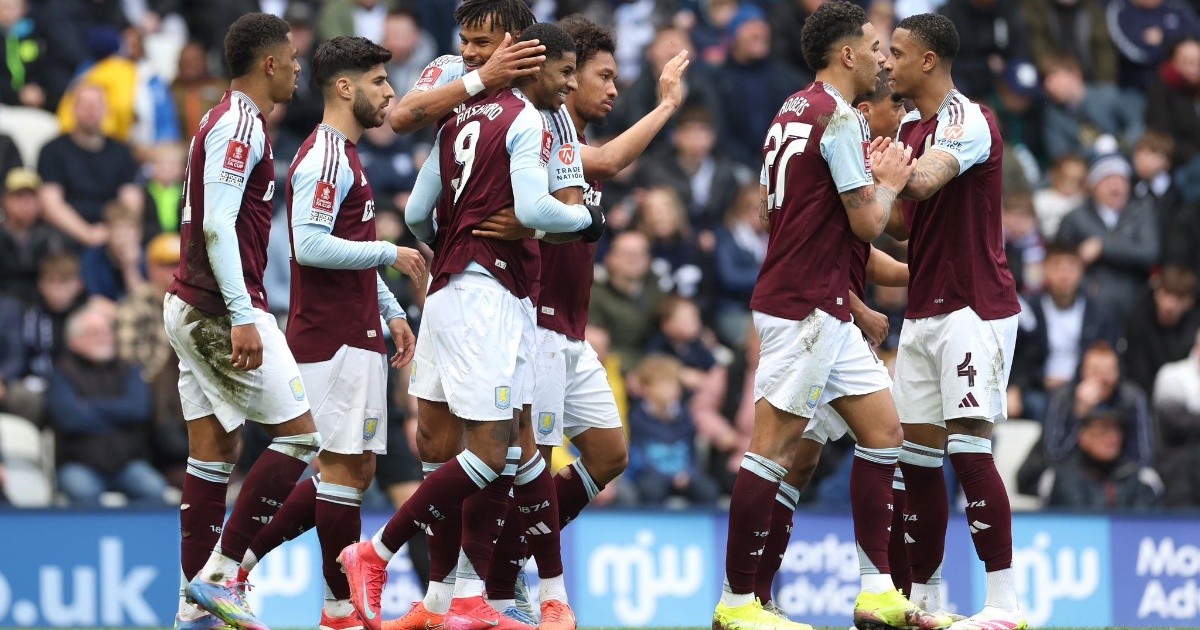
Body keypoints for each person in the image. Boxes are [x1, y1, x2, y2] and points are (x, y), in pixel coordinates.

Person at [340, 23, 605, 630]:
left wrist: (453, 246)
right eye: (561, 72)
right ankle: (375, 553)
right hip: (492, 296)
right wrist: (590, 219)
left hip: (446, 291)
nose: (567, 86)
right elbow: (539, 212)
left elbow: (413, 212)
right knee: (495, 451)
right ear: (529, 62)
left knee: (441, 449)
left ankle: (449, 602)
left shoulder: (458, 115)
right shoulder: (523, 116)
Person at [713, 4, 937, 630]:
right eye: (873, 46)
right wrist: (889, 180)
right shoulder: (837, 118)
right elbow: (868, 222)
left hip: (825, 307)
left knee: (885, 434)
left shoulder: (790, 110)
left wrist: (858, 300)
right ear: (846, 55)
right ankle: (736, 603)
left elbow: (772, 210)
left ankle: (876, 592)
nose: (881, 58)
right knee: (774, 450)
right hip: (803, 307)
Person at [463, 14, 688, 627]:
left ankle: (500, 575)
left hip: (571, 331)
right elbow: (611, 162)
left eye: (617, 77)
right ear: (565, 75)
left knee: (609, 455)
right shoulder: (545, 130)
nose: (613, 89)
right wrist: (667, 104)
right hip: (532, 324)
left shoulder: (566, 135)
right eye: (602, 76)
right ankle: (500, 588)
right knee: (520, 468)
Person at [228, 36, 426, 630]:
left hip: (360, 330)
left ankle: (267, 576)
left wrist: (390, 308)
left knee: (355, 474)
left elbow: (352, 248)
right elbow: (310, 244)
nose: (391, 93)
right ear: (345, 87)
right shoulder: (323, 156)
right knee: (338, 472)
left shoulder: (347, 155)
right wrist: (390, 253)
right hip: (330, 338)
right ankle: (331, 606)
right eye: (379, 82)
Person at [163, 14, 320, 630]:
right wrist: (241, 314)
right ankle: (223, 575)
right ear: (270, 63)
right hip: (217, 308)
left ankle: (191, 609)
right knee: (302, 436)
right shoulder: (238, 125)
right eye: (294, 57)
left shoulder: (224, 116)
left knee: (214, 454)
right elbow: (215, 226)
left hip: (188, 303)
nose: (300, 67)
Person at [750, 69, 919, 617]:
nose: (906, 118)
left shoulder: (809, 124)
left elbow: (861, 253)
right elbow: (823, 239)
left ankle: (878, 591)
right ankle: (748, 596)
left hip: (829, 316)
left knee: (813, 460)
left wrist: (935, 272)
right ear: (870, 113)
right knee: (782, 458)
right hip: (812, 315)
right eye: (899, 107)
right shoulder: (844, 137)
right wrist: (858, 307)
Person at [886, 12, 1026, 629]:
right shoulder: (913, 127)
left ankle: (1003, 604)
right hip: (922, 310)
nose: (885, 61)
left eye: (895, 51)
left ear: (927, 60)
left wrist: (878, 173)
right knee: (916, 460)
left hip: (974, 308)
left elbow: (920, 184)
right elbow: (900, 221)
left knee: (969, 451)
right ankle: (926, 599)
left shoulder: (967, 119)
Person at [48, 305, 167, 507]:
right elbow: (70, 418)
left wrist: (88, 405)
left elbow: (138, 410)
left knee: (154, 489)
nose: (104, 338)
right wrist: (119, 415)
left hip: (127, 464)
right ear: (74, 340)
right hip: (79, 465)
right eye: (94, 333)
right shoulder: (61, 373)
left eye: (107, 332)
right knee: (83, 491)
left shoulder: (129, 370)